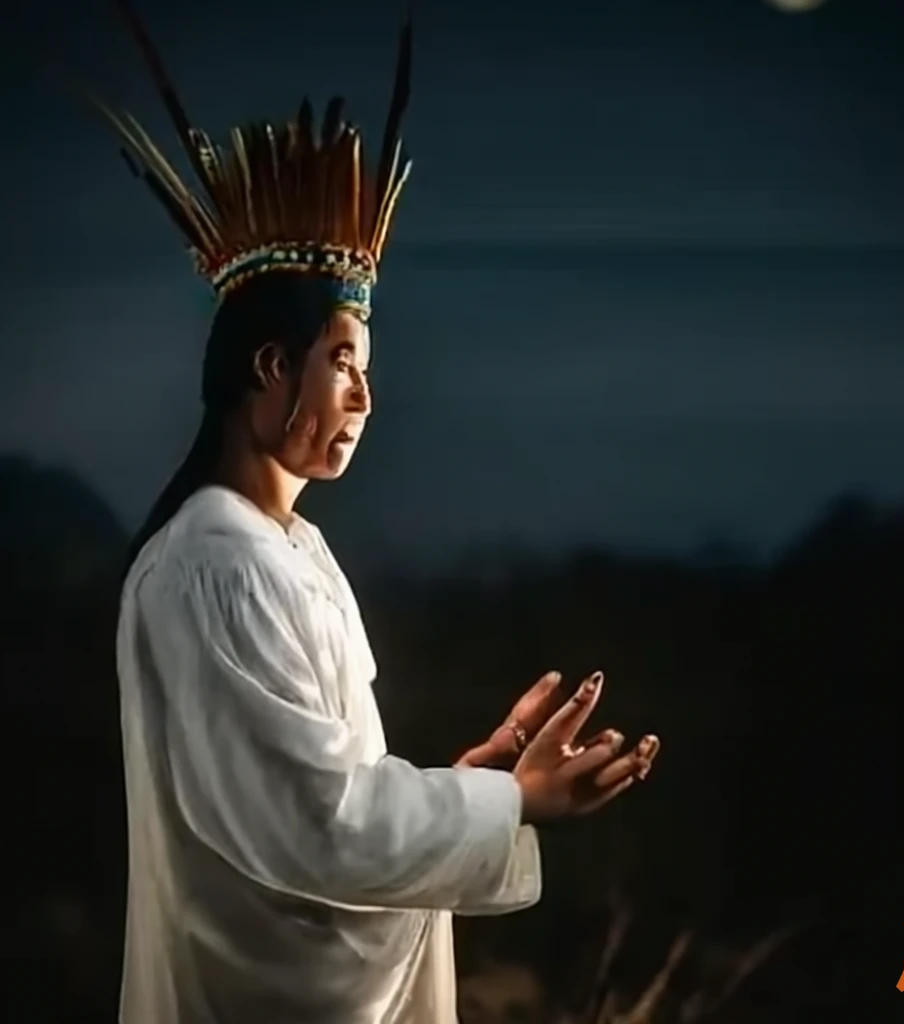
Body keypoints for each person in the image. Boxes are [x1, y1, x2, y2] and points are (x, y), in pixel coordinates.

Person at [97, 3, 661, 1022]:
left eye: (365, 367)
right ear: (271, 366)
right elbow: (311, 827)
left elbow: (321, 796)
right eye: (343, 361)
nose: (364, 397)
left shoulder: (287, 551)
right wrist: (509, 802)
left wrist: (459, 783)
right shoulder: (217, 566)